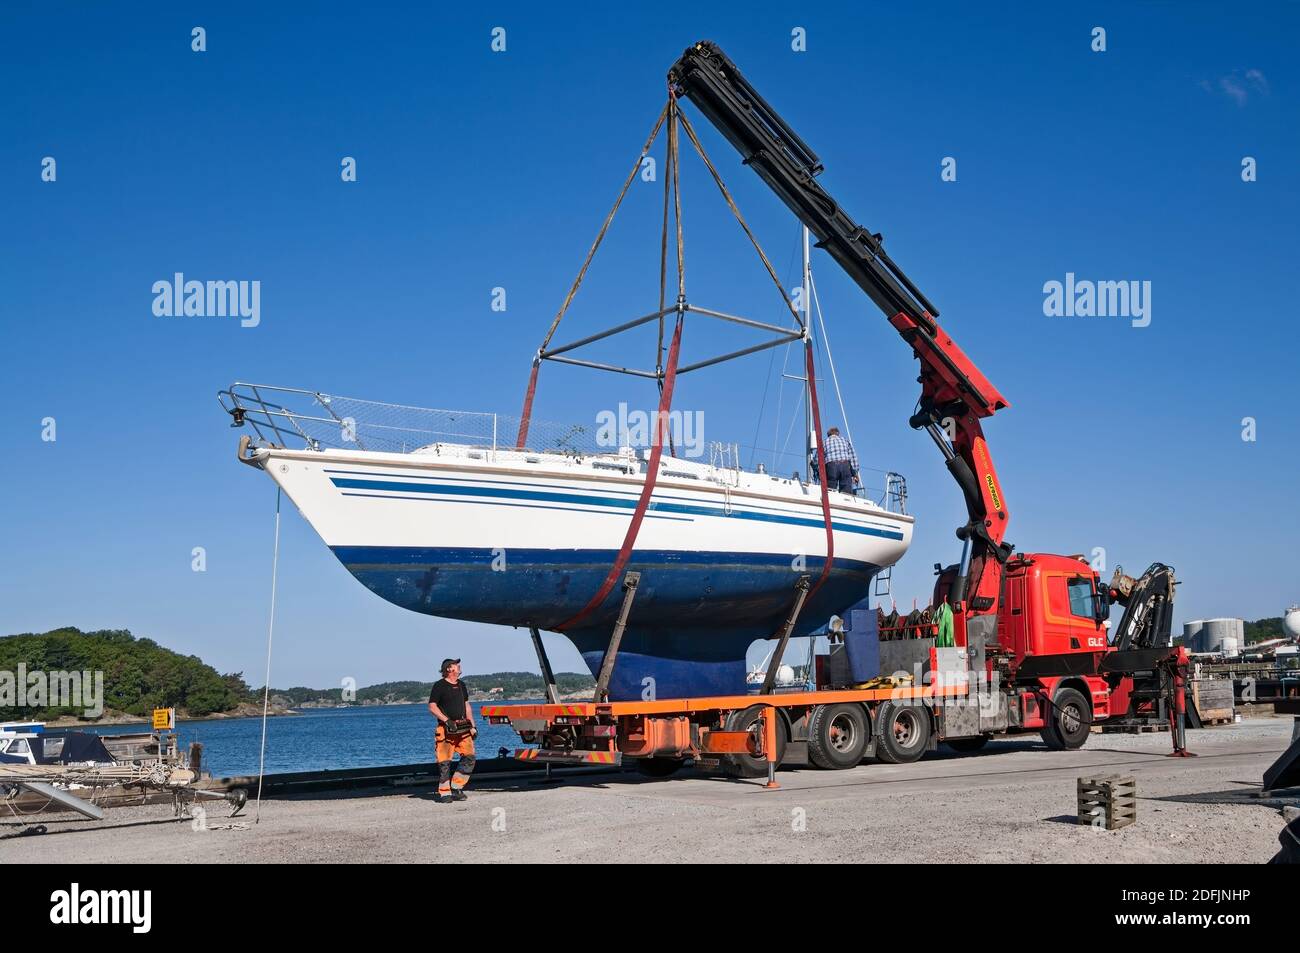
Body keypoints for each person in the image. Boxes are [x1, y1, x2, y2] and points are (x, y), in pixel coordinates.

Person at [427, 658, 476, 802]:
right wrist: (446, 720)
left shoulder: (461, 685)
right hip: (446, 729)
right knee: (444, 762)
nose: (459, 666)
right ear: (449, 669)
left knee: (470, 757)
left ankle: (456, 787)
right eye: (456, 664)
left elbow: (467, 705)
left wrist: (473, 726)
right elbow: (432, 706)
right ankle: (444, 792)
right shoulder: (439, 686)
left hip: (463, 728)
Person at [823, 427, 860, 494]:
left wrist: (814, 465)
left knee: (831, 489)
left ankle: (832, 500)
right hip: (845, 465)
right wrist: (855, 473)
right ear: (838, 433)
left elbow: (818, 458)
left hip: (831, 466)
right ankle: (846, 500)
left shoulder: (824, 442)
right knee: (846, 490)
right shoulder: (845, 440)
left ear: (828, 435)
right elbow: (853, 457)